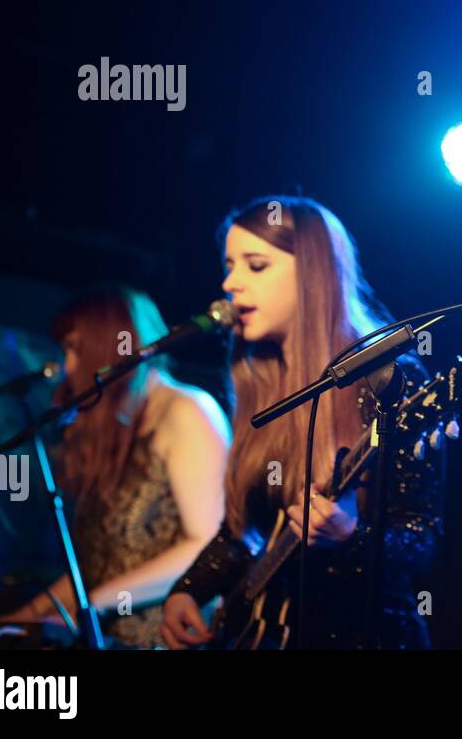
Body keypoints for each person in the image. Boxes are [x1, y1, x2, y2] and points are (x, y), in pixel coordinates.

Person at [160, 196, 442, 650]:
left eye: (255, 265)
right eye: (229, 265)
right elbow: (243, 531)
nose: (229, 283)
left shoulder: (387, 377)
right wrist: (188, 591)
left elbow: (421, 540)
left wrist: (350, 535)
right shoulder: (259, 380)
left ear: (313, 273)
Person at [0, 284, 231, 648]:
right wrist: (26, 617)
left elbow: (208, 543)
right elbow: (94, 570)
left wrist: (94, 605)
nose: (67, 367)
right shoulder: (119, 428)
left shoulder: (186, 411)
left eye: (75, 349)